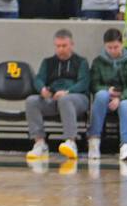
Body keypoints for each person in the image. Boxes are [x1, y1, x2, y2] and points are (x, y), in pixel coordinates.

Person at [24, 29, 90, 160]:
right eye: (58, 46)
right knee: (31, 101)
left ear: (71, 44)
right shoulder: (48, 62)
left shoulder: (81, 62)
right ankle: (39, 143)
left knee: (65, 100)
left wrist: (67, 92)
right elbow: (38, 79)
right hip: (54, 99)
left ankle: (71, 142)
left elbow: (84, 83)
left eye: (64, 46)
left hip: (77, 98)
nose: (61, 49)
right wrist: (42, 89)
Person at [87, 28, 127, 162]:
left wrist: (120, 97)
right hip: (107, 100)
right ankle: (94, 140)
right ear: (104, 46)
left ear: (122, 44)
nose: (113, 50)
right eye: (109, 47)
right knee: (101, 95)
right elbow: (94, 85)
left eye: (116, 47)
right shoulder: (98, 62)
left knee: (124, 105)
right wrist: (108, 90)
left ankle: (126, 145)